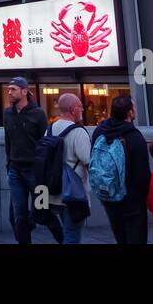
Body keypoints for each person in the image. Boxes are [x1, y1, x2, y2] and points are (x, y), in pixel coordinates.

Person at [2, 76, 61, 243]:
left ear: (24, 91)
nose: (9, 92)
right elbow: (8, 141)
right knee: (17, 216)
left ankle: (65, 240)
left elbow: (46, 144)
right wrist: (9, 166)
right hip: (15, 171)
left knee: (45, 211)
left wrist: (45, 171)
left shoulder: (38, 114)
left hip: (35, 173)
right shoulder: (8, 114)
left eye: (13, 89)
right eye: (9, 89)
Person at [91, 94, 151, 244]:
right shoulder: (134, 137)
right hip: (130, 201)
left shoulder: (99, 132)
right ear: (130, 113)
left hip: (108, 195)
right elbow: (142, 177)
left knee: (120, 237)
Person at [50, 93, 92, 244]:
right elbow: (88, 161)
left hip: (55, 189)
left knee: (67, 230)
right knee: (72, 233)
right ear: (73, 109)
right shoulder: (78, 132)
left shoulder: (50, 129)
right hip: (74, 192)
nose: (82, 109)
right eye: (80, 106)